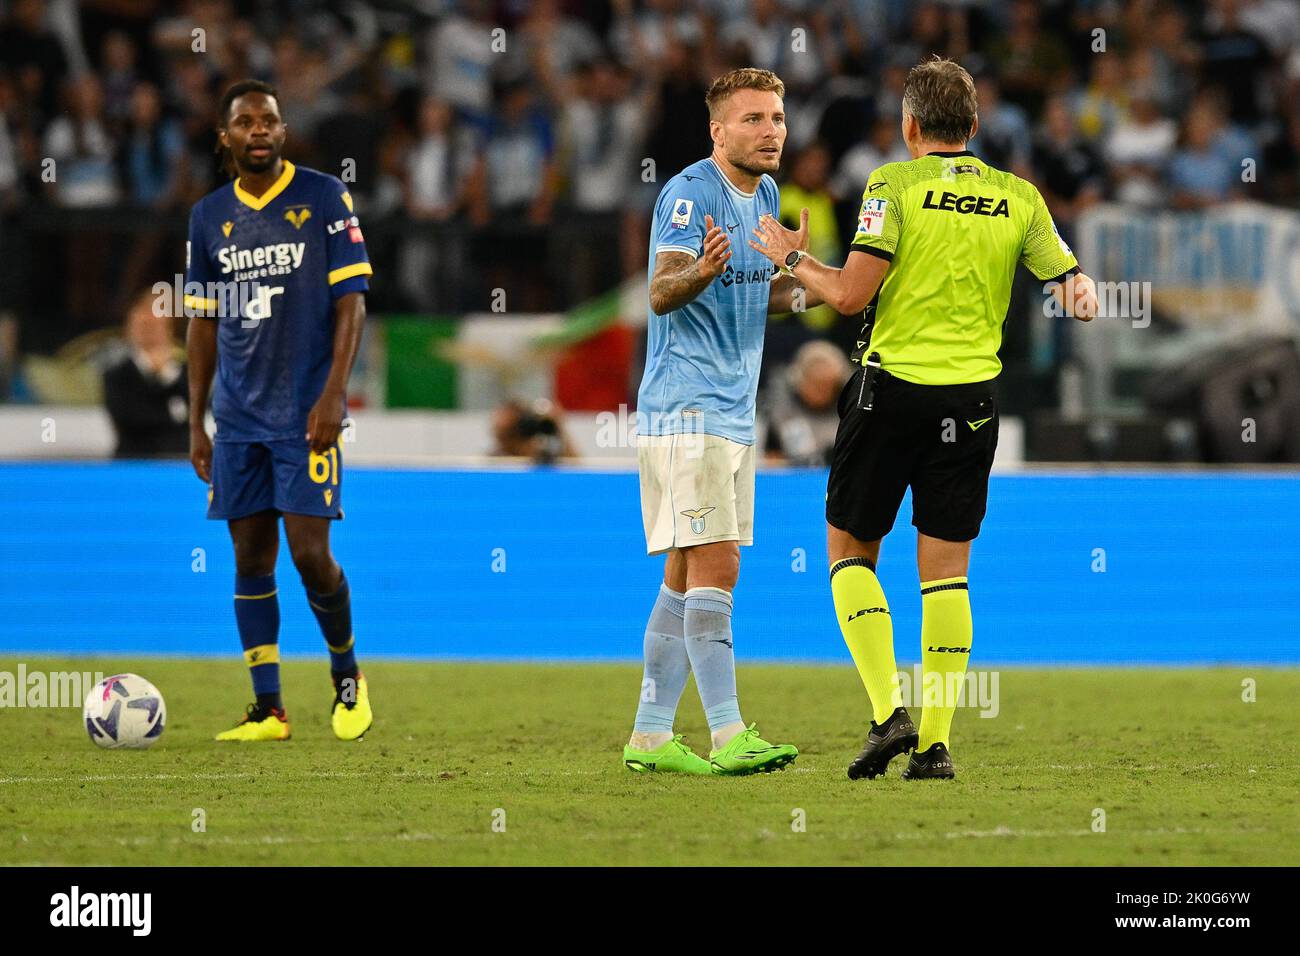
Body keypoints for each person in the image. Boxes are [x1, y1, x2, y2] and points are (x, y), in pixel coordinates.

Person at [749, 57, 1098, 781]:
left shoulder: (892, 185)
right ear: (973, 127)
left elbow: (848, 296)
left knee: (849, 552)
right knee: (947, 577)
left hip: (891, 393)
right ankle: (935, 746)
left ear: (910, 126)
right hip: (970, 403)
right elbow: (1072, 286)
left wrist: (792, 258)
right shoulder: (1018, 195)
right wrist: (1082, 288)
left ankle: (888, 713)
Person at [625, 67, 813, 777]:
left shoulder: (764, 194)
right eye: (754, 119)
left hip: (732, 412)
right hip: (688, 408)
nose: (771, 131)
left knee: (682, 576)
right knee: (720, 563)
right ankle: (730, 734)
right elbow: (662, 290)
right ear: (718, 130)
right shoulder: (689, 193)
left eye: (777, 118)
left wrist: (815, 284)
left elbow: (761, 292)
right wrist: (702, 271)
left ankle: (648, 734)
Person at [185, 79, 374, 743]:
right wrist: (196, 422)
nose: (258, 130)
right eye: (245, 122)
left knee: (310, 554)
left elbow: (352, 301)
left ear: (283, 132)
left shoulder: (324, 196)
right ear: (226, 136)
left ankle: (347, 677)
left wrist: (332, 394)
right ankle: (268, 709)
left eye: (269, 119)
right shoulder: (209, 217)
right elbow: (201, 327)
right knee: (249, 557)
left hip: (305, 412)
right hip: (236, 418)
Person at [103, 290, 189, 459]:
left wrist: (166, 376)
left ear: (169, 328)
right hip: (132, 465)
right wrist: (170, 411)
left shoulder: (187, 372)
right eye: (144, 325)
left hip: (179, 466)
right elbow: (131, 419)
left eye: (155, 325)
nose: (149, 331)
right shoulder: (116, 375)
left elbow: (194, 415)